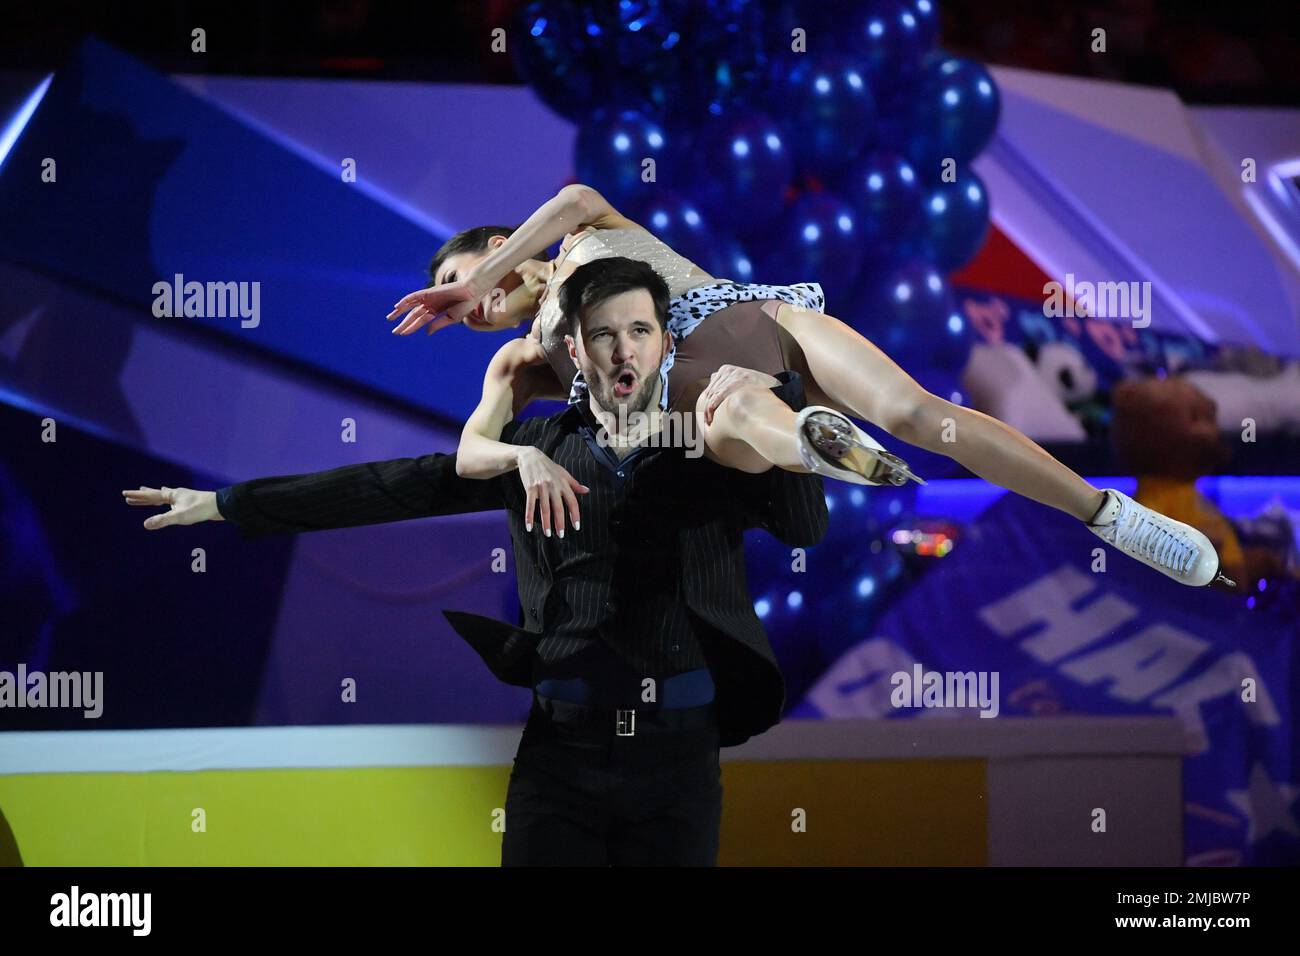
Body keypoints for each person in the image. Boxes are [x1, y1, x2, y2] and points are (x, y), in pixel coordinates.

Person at [122, 256, 830, 866]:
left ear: (665, 344)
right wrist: (227, 504)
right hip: (561, 757)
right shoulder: (530, 446)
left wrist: (787, 413)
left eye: (639, 332)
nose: (623, 352)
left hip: (680, 763)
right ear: (575, 353)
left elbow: (804, 533)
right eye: (603, 335)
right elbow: (388, 488)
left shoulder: (715, 445)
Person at [386, 183, 1234, 589]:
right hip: (702, 408)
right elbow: (469, 451)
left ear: (503, 246)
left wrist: (477, 275)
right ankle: (821, 447)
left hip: (764, 326)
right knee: (738, 413)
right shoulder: (521, 362)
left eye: (474, 281)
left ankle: (1111, 517)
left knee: (917, 413)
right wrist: (523, 462)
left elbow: (572, 196)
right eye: (467, 309)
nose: (478, 306)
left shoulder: (582, 234)